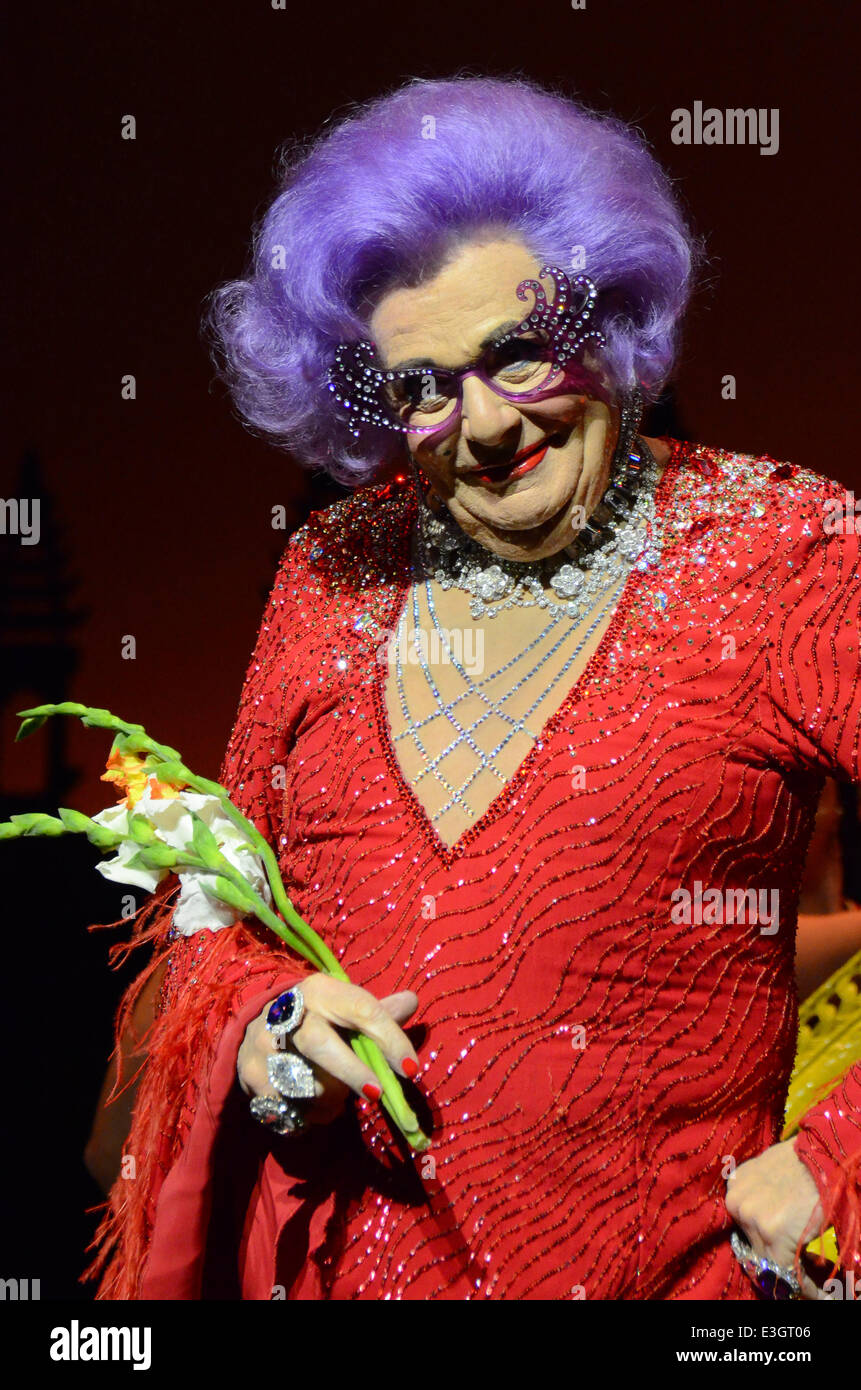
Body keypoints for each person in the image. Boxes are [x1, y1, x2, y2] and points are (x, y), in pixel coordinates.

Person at [87, 75, 861, 1301]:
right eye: (422, 385)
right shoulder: (329, 571)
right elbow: (217, 924)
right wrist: (272, 1040)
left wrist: (838, 1158)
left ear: (607, 320)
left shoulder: (787, 550)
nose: (484, 422)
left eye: (520, 352)